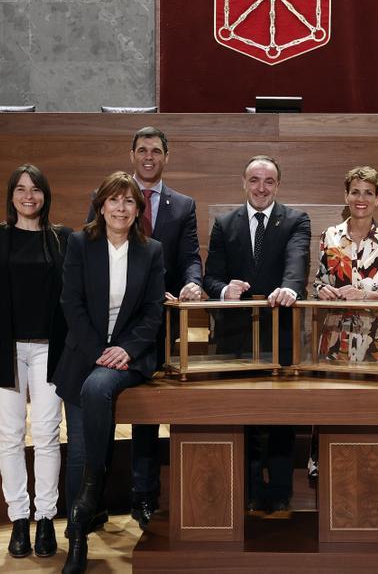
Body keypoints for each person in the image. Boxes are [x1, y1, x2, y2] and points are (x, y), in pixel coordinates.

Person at [53, 171, 165, 574]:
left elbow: (153, 312)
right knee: (79, 451)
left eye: (129, 201)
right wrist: (98, 351)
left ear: (138, 210)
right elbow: (71, 303)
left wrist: (125, 350)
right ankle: (77, 535)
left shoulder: (151, 251)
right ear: (101, 206)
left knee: (98, 387)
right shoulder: (80, 244)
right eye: (114, 200)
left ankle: (88, 500)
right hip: (83, 355)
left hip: (129, 358)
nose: (121, 208)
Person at [0, 164, 71, 559]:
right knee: (10, 436)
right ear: (11, 196)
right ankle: (18, 519)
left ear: (46, 195)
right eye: (21, 190)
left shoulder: (62, 238)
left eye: (36, 189)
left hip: (49, 349)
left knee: (46, 434)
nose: (29, 196)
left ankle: (45, 518)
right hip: (6, 349)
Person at [203, 154, 311, 512]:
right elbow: (210, 276)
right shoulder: (224, 223)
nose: (261, 188)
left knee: (281, 419)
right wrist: (224, 290)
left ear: (277, 185)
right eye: (254, 180)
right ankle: (245, 491)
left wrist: (290, 288)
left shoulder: (296, 220)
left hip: (281, 333)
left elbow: (297, 263)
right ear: (243, 183)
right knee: (239, 418)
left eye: (268, 181)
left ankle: (279, 492)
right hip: (234, 338)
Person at [123, 126, 203, 529]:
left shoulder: (182, 205)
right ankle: (101, 497)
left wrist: (193, 283)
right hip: (115, 323)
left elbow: (190, 257)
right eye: (142, 150)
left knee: (149, 411)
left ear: (166, 157)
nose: (149, 157)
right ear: (132, 155)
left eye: (156, 150)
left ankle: (145, 495)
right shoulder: (112, 197)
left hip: (161, 322)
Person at [310, 166, 378, 478]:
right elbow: (318, 281)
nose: (360, 198)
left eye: (368, 193)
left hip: (376, 341)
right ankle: (332, 474)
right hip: (334, 341)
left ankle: (377, 475)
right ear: (346, 195)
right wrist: (321, 290)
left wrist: (363, 293)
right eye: (355, 192)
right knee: (333, 409)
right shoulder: (329, 235)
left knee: (376, 411)